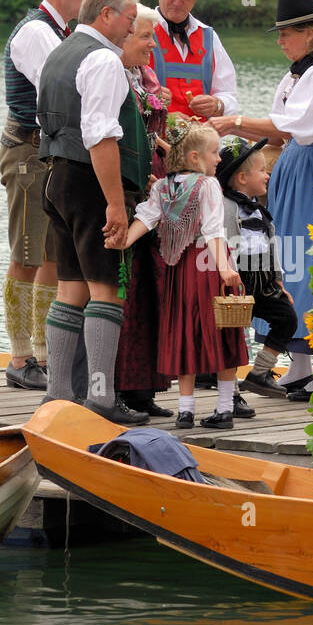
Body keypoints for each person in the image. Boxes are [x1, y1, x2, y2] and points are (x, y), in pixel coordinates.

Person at [209, 0, 313, 403]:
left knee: (309, 258)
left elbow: (292, 126)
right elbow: (279, 127)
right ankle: (299, 367)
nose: (280, 40)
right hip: (292, 165)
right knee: (284, 256)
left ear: (310, 32)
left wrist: (233, 122)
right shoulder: (297, 74)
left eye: (287, 32)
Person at [37, 0, 150, 425]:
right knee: (108, 289)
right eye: (129, 18)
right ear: (106, 15)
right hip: (89, 182)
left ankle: (57, 396)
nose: (132, 26)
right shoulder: (102, 58)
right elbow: (100, 134)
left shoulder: (61, 51)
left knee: (70, 288)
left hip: (55, 178)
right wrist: (116, 205)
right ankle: (101, 398)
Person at [0, 0, 96, 391]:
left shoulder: (57, 31)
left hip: (46, 151)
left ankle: (41, 352)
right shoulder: (36, 32)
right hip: (27, 151)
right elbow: (59, 91)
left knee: (52, 256)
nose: (86, 2)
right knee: (26, 253)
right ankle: (20, 356)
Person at [108, 123, 245, 429]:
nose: (219, 159)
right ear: (195, 157)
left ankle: (185, 410)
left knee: (183, 332)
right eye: (214, 152)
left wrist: (124, 240)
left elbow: (146, 218)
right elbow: (213, 230)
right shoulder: (209, 186)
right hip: (207, 264)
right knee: (223, 331)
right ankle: (224, 408)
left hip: (177, 268)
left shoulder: (162, 187)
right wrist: (225, 267)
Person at [115, 4, 174, 419]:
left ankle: (147, 386)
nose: (152, 46)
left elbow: (155, 129)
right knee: (129, 288)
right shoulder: (112, 74)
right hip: (131, 185)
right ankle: (120, 385)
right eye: (145, 38)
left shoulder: (143, 74)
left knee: (154, 287)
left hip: (152, 183)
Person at [217, 139, 296, 400]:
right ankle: (230, 395)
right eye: (262, 170)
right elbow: (220, 243)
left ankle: (259, 373)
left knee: (287, 317)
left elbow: (271, 246)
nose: (267, 175)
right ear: (241, 178)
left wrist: (278, 281)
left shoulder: (259, 211)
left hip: (263, 278)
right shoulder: (227, 208)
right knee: (235, 336)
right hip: (238, 277)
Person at [148, 0, 238, 122]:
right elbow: (124, 94)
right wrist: (162, 114)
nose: (177, 2)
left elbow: (229, 95)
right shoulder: (140, 31)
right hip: (156, 146)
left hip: (202, 145)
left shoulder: (210, 37)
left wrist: (218, 105)